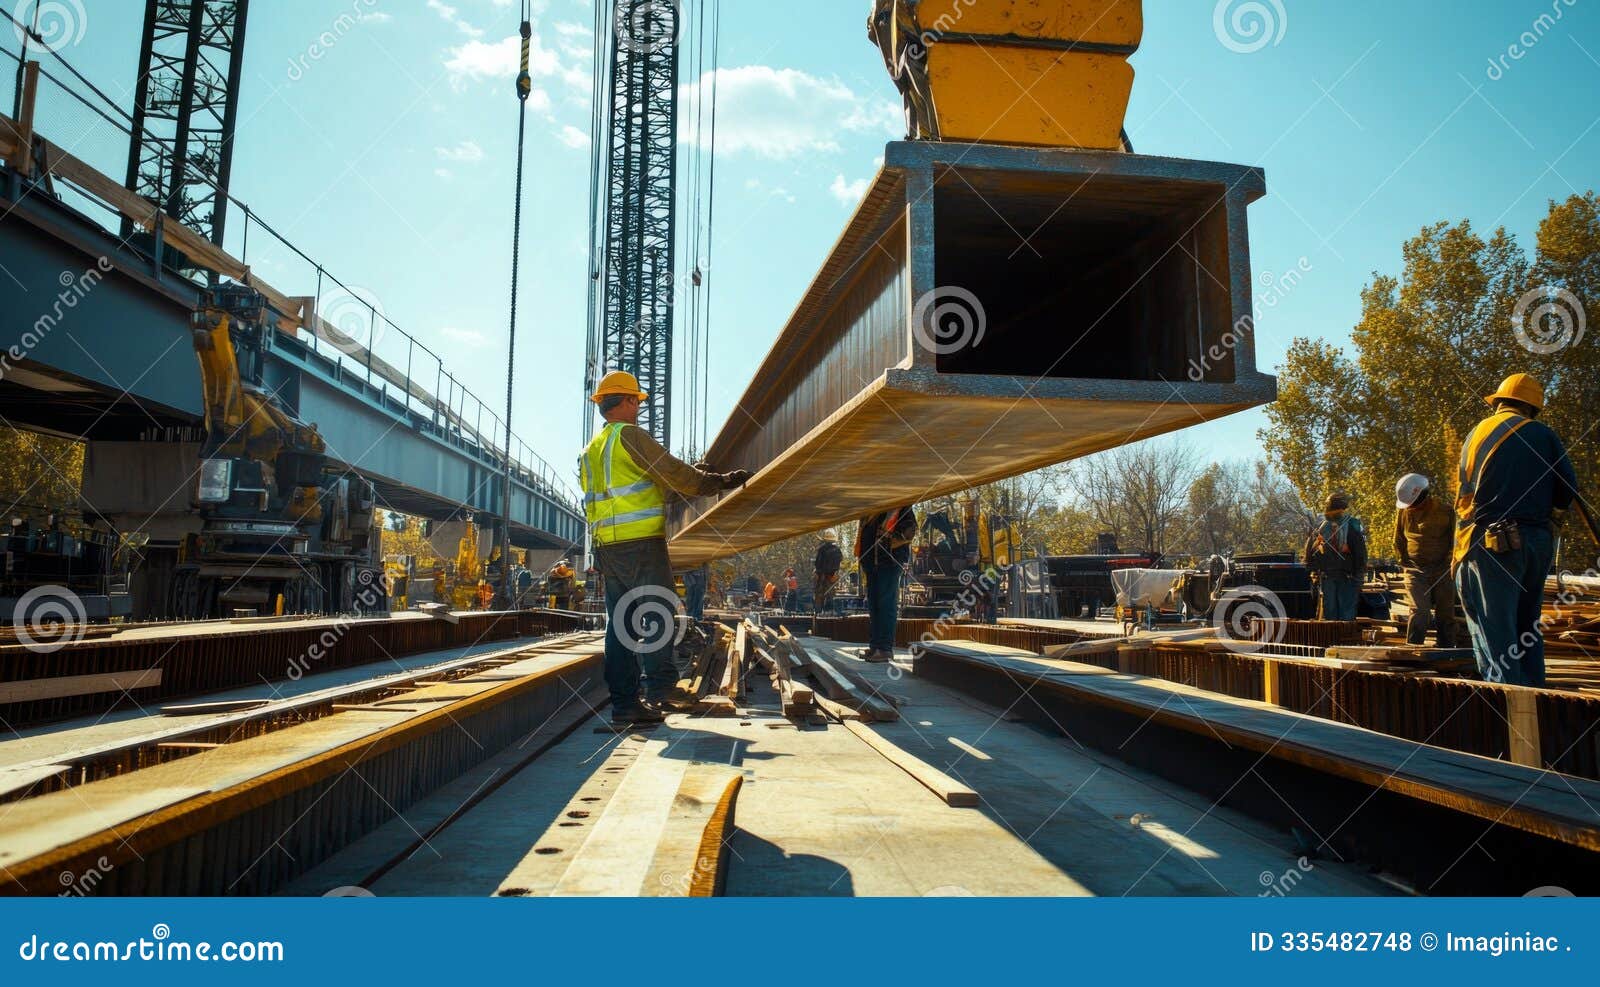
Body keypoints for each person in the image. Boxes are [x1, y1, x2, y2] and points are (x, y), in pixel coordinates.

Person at [580, 371, 749, 726]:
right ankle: (661, 689)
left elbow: (651, 488)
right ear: (626, 401)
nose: (639, 407)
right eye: (637, 401)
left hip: (607, 547)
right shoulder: (632, 436)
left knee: (621, 624)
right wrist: (716, 482)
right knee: (657, 613)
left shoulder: (592, 450)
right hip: (641, 542)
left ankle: (625, 705)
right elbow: (674, 474)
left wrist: (691, 482)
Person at [1454, 374, 1577, 687]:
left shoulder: (1477, 434)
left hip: (1493, 543)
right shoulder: (1545, 435)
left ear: (1499, 401)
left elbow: (1465, 497)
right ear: (1533, 407)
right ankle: (1536, 700)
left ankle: (1508, 713)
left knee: (1496, 633)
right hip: (1537, 542)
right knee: (1527, 630)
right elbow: (1567, 491)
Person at [1392, 474, 1456, 648]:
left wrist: (1450, 564)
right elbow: (1398, 539)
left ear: (1422, 495)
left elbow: (1454, 541)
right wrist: (1406, 563)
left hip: (1443, 569)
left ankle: (1447, 652)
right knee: (1420, 612)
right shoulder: (1403, 512)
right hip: (1415, 571)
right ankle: (1413, 651)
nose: (1410, 507)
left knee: (1445, 614)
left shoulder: (1446, 511)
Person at [856, 505, 918, 662]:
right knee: (874, 605)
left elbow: (910, 530)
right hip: (871, 564)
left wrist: (889, 542)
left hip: (888, 563)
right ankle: (875, 646)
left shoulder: (900, 507)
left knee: (886, 604)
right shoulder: (870, 512)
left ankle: (884, 649)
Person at [1304, 493, 1366, 621]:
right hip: (1331, 576)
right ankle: (1338, 639)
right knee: (1337, 614)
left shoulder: (1351, 525)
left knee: (1340, 614)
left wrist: (1358, 574)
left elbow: (1359, 554)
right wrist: (1313, 570)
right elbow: (1311, 551)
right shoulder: (1322, 527)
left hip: (1346, 576)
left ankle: (1342, 639)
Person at [813, 530, 843, 614]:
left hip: (822, 575)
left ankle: (818, 612)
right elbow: (839, 561)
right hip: (832, 575)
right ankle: (829, 612)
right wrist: (834, 574)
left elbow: (818, 563)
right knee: (830, 594)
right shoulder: (837, 550)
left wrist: (818, 573)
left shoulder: (821, 549)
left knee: (819, 594)